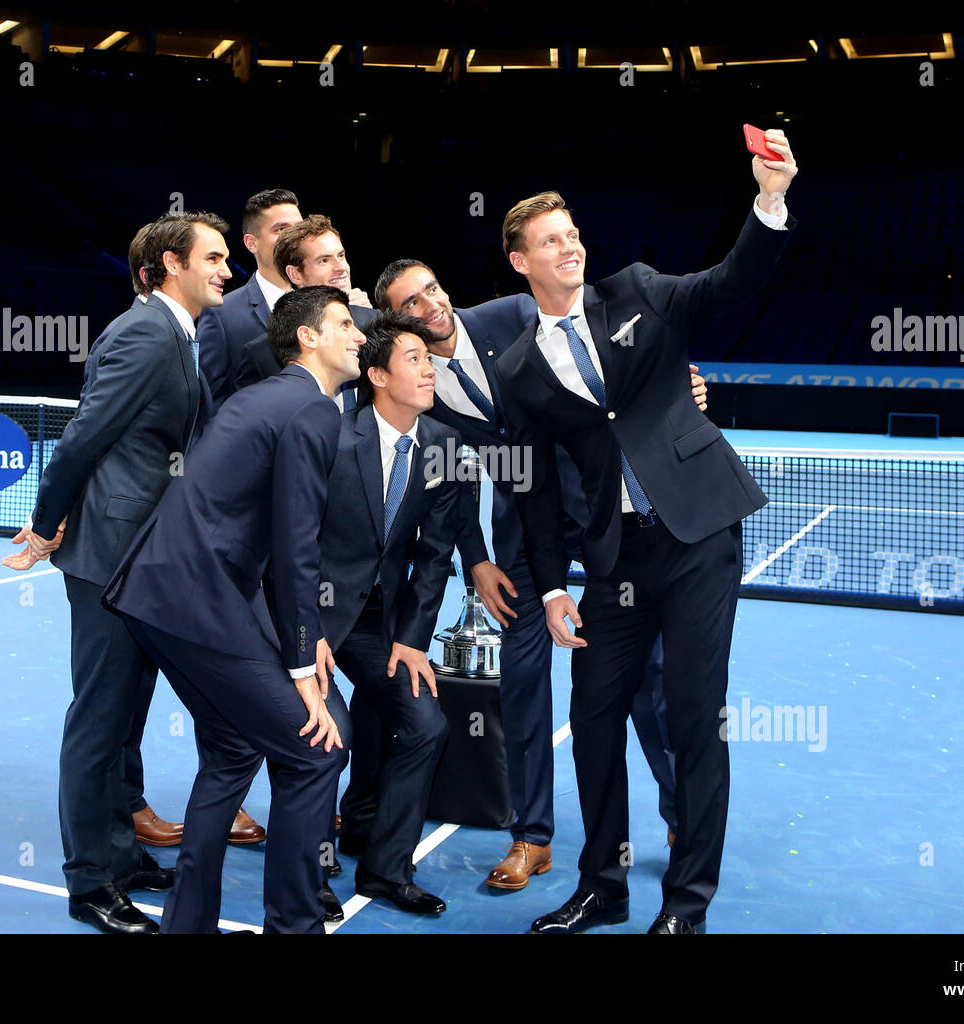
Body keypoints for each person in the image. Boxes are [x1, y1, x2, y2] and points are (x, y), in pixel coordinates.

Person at [496, 127, 798, 934]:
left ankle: (686, 905)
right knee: (594, 718)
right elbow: (530, 489)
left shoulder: (637, 288)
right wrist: (554, 585)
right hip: (613, 560)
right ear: (519, 262)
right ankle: (603, 886)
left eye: (573, 233)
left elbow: (731, 282)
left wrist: (768, 198)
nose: (569, 246)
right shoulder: (518, 369)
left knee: (696, 716)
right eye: (549, 240)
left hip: (699, 535)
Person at [373, 261, 709, 887]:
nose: (430, 305)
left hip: (605, 512)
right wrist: (476, 558)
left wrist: (672, 389)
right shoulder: (419, 389)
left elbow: (603, 352)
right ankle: (532, 837)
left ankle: (680, 809)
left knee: (647, 673)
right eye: (411, 303)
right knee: (523, 680)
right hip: (525, 537)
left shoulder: (513, 313)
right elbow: (452, 478)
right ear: (398, 319)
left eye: (432, 289)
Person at [103, 285, 362, 933]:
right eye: (343, 324)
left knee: (232, 747)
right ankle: (295, 926)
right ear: (309, 337)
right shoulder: (312, 410)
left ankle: (187, 926)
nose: (359, 334)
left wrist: (303, 642)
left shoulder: (264, 397)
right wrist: (301, 664)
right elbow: (295, 542)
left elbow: (261, 538)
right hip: (199, 600)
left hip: (154, 594)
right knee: (314, 752)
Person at [4, 211, 231, 933]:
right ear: (170, 264)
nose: (227, 270)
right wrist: (45, 523)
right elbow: (83, 435)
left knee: (126, 716)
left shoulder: (177, 334)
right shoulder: (145, 331)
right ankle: (88, 880)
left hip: (144, 556)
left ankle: (121, 855)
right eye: (216, 257)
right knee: (100, 721)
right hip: (109, 556)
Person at [315, 311, 465, 916]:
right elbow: (292, 544)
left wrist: (413, 639)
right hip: (317, 617)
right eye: (413, 360)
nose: (428, 370)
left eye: (429, 360)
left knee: (427, 724)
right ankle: (311, 870)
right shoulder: (330, 436)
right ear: (376, 374)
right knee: (328, 740)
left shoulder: (445, 447)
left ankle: (385, 868)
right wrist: (304, 638)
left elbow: (434, 555)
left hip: (383, 624)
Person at [236, 214, 376, 409]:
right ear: (296, 274)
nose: (341, 268)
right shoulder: (262, 354)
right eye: (324, 260)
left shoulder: (377, 325)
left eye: (341, 256)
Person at [196, 188, 303, 407]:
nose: (294, 238)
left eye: (300, 229)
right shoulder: (221, 315)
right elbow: (211, 404)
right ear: (251, 243)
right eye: (281, 229)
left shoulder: (327, 305)